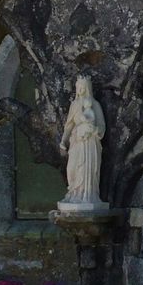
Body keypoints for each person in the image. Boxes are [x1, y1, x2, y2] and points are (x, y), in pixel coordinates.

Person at [59, 75, 105, 206]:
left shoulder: (95, 105)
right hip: (77, 141)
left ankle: (88, 195)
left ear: (87, 88)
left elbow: (102, 125)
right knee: (72, 168)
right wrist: (63, 141)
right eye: (78, 86)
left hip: (90, 142)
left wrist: (95, 130)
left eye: (82, 86)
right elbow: (69, 125)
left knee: (88, 169)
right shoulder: (74, 105)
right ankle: (74, 192)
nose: (80, 89)